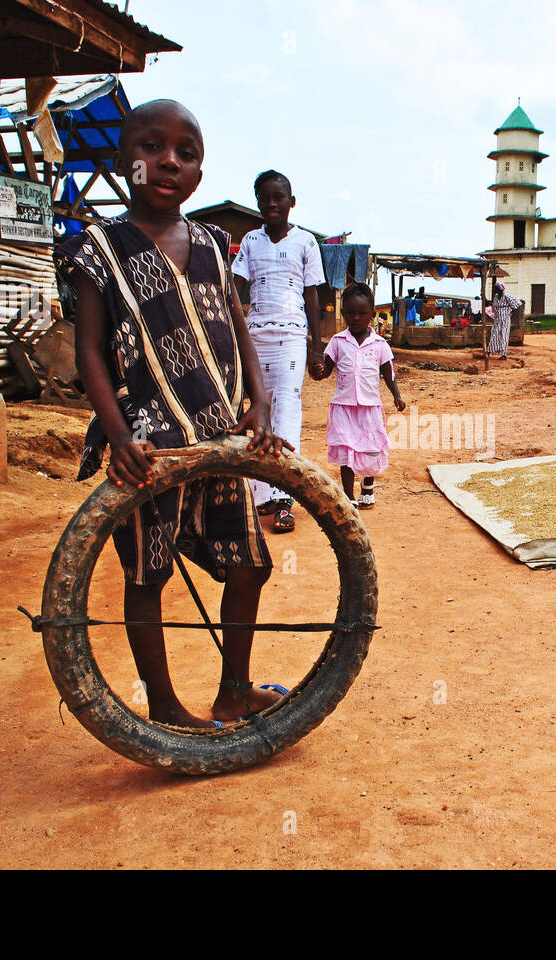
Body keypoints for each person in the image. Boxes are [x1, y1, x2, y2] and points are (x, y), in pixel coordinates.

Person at [58, 99, 289, 727]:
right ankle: (162, 705)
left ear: (200, 173)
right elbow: (89, 352)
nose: (169, 162)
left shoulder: (216, 245)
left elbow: (241, 330)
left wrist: (260, 402)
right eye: (152, 148)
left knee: (249, 565)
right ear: (123, 160)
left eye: (186, 153)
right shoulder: (99, 249)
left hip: (218, 436)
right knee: (147, 576)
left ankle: (235, 689)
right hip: (149, 446)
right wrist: (116, 434)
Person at [231, 170, 326, 534]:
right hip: (254, 337)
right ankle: (260, 497)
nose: (271, 204)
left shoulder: (305, 242)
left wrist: (316, 348)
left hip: (291, 336)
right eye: (264, 198)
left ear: (291, 202)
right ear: (257, 202)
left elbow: (312, 294)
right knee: (258, 412)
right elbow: (234, 289)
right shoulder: (251, 241)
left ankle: (286, 499)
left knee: (286, 411)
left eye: (278, 198)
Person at [311, 282, 405, 509]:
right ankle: (348, 496)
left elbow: (388, 373)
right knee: (346, 450)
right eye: (351, 313)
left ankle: (367, 487)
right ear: (343, 314)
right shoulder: (337, 342)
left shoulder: (380, 344)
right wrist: (318, 371)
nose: (356, 318)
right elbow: (326, 369)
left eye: (362, 313)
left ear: (372, 314)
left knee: (370, 449)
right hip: (343, 406)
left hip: (370, 406)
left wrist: (397, 395)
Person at [483, 281, 522, 358]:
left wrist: (510, 312)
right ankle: (489, 351)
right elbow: (494, 308)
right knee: (494, 334)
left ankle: (504, 354)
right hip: (497, 320)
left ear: (500, 289)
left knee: (504, 335)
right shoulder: (496, 297)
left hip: (505, 319)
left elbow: (517, 303)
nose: (494, 290)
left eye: (496, 288)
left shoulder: (507, 296)